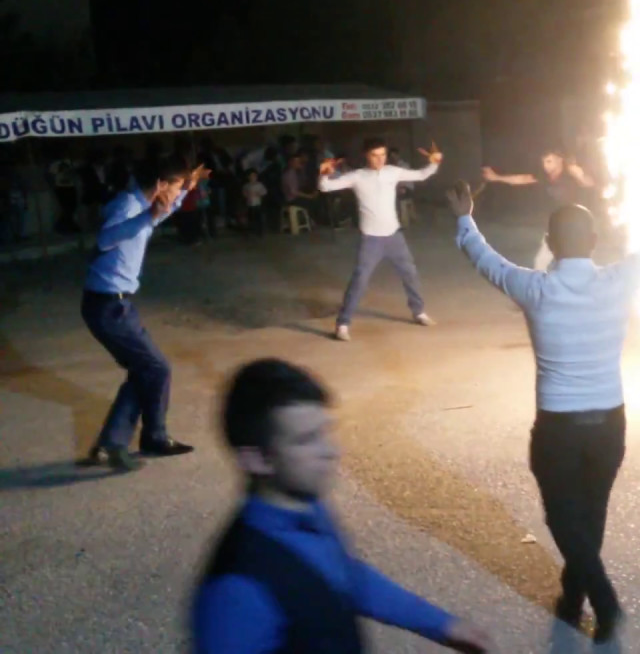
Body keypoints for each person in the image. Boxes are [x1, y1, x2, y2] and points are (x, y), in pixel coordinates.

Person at [445, 181, 640, 643]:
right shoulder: (620, 280)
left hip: (558, 427)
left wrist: (466, 219)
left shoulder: (536, 288)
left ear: (549, 244)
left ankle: (602, 600)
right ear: (595, 242)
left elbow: (487, 262)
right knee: (591, 513)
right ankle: (571, 598)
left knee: (563, 519)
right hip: (608, 423)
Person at [191, 358, 494, 653]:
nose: (331, 451)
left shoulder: (304, 505)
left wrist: (441, 625)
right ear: (255, 459)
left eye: (325, 432)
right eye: (306, 440)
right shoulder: (235, 589)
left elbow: (341, 575)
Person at [76, 155, 207, 471]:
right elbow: (106, 239)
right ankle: (141, 440)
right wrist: (148, 215)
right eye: (175, 189)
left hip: (114, 304)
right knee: (156, 368)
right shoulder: (128, 207)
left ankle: (126, 442)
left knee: (146, 369)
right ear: (161, 185)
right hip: (108, 306)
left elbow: (156, 217)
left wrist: (186, 190)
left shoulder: (141, 205)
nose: (176, 196)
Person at [318, 138, 443, 341]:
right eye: (375, 155)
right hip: (371, 240)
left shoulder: (393, 172)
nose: (380, 159)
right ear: (366, 156)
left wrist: (434, 162)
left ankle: (418, 312)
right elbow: (326, 187)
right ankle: (343, 323)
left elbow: (421, 175)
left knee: (410, 273)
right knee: (360, 281)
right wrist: (324, 173)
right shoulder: (357, 176)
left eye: (383, 155)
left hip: (394, 236)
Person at [480, 150, 596, 270]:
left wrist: (580, 175)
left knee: (579, 260)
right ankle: (545, 285)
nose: (545, 166)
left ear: (559, 160)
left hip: (575, 225)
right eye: (544, 162)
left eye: (549, 161)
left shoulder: (569, 173)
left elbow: (589, 183)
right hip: (557, 226)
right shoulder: (545, 177)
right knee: (541, 262)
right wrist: (496, 177)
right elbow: (523, 179)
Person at [243, 169, 268, 237]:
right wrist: (247, 195)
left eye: (254, 176)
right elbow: (244, 193)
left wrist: (258, 194)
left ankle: (260, 231)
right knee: (251, 218)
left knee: (259, 218)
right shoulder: (246, 185)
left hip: (257, 204)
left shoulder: (259, 185)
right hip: (250, 204)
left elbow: (264, 192)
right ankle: (252, 230)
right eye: (251, 176)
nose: (253, 177)